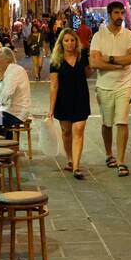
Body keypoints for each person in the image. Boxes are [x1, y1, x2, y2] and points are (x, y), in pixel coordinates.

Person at [90, 1, 131, 177]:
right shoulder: (99, 36)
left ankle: (121, 161)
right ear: (109, 14)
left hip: (125, 84)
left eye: (122, 13)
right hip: (104, 85)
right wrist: (119, 63)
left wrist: (109, 59)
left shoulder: (129, 36)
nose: (120, 16)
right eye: (117, 13)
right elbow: (94, 62)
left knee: (122, 121)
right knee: (107, 123)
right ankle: (109, 154)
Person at [49, 27, 91, 177]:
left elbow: (88, 72)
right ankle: (70, 159)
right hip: (63, 99)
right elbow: (54, 85)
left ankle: (76, 167)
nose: (70, 43)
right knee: (66, 132)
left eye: (72, 40)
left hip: (81, 97)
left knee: (78, 130)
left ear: (76, 42)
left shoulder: (82, 56)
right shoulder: (56, 61)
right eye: (66, 40)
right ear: (61, 43)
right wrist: (51, 108)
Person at [0, 46, 30, 128]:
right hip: (6, 111)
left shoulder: (14, 71)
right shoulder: (8, 70)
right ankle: (0, 137)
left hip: (14, 114)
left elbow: (6, 93)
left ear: (6, 60)